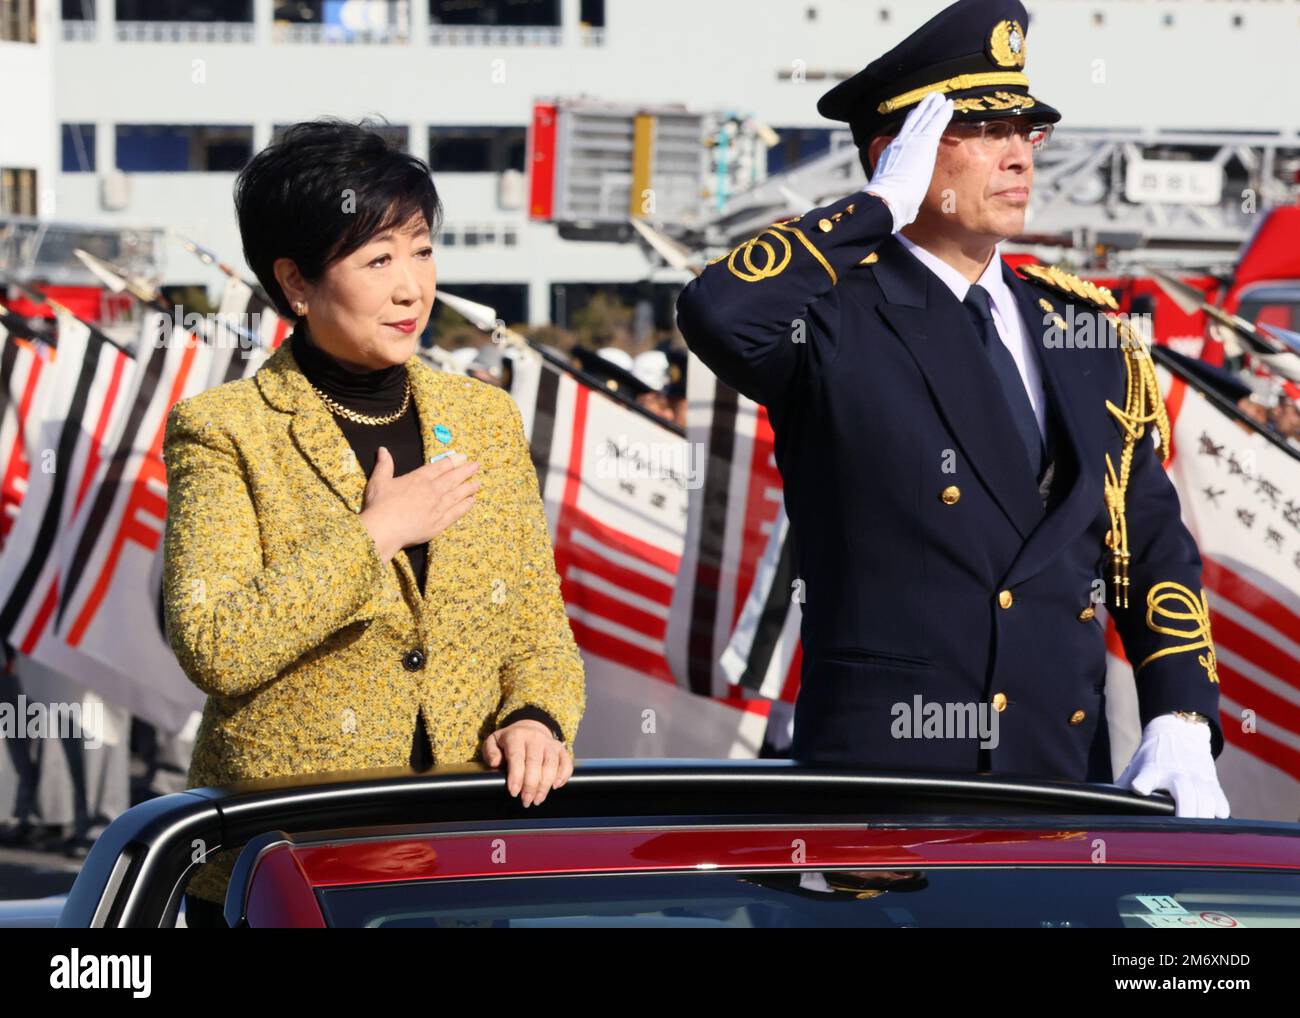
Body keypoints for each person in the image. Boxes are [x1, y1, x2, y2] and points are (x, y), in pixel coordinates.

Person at [676, 0, 1228, 818]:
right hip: (890, 798)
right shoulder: (834, 316)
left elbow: (1147, 545)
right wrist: (873, 211)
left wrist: (1181, 711)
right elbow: (719, 311)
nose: (1018, 155)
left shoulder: (1083, 331)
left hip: (1060, 783)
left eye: (1025, 130)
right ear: (895, 155)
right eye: (980, 128)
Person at [162, 119, 585, 924]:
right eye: (377, 258)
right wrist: (374, 535)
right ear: (296, 282)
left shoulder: (484, 418)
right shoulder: (223, 428)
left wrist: (536, 715)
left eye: (421, 250)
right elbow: (215, 643)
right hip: (287, 871)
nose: (411, 286)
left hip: (463, 862)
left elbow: (536, 622)